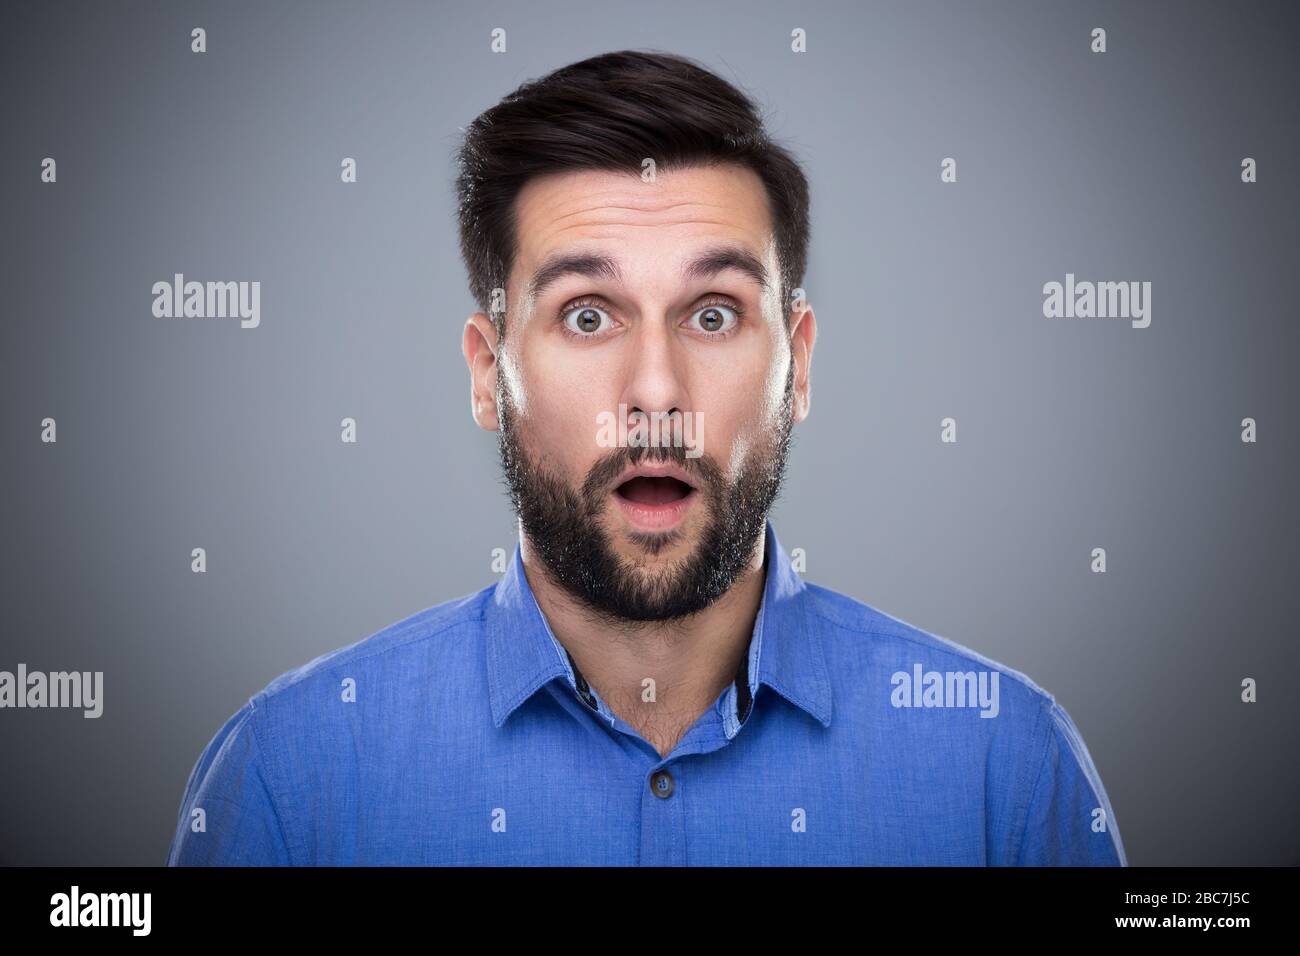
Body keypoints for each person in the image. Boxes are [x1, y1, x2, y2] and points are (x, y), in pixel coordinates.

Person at [168, 49, 1126, 866]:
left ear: (797, 368)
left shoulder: (1003, 764)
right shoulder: (295, 775)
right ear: (484, 375)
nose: (657, 392)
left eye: (713, 315)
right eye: (587, 316)